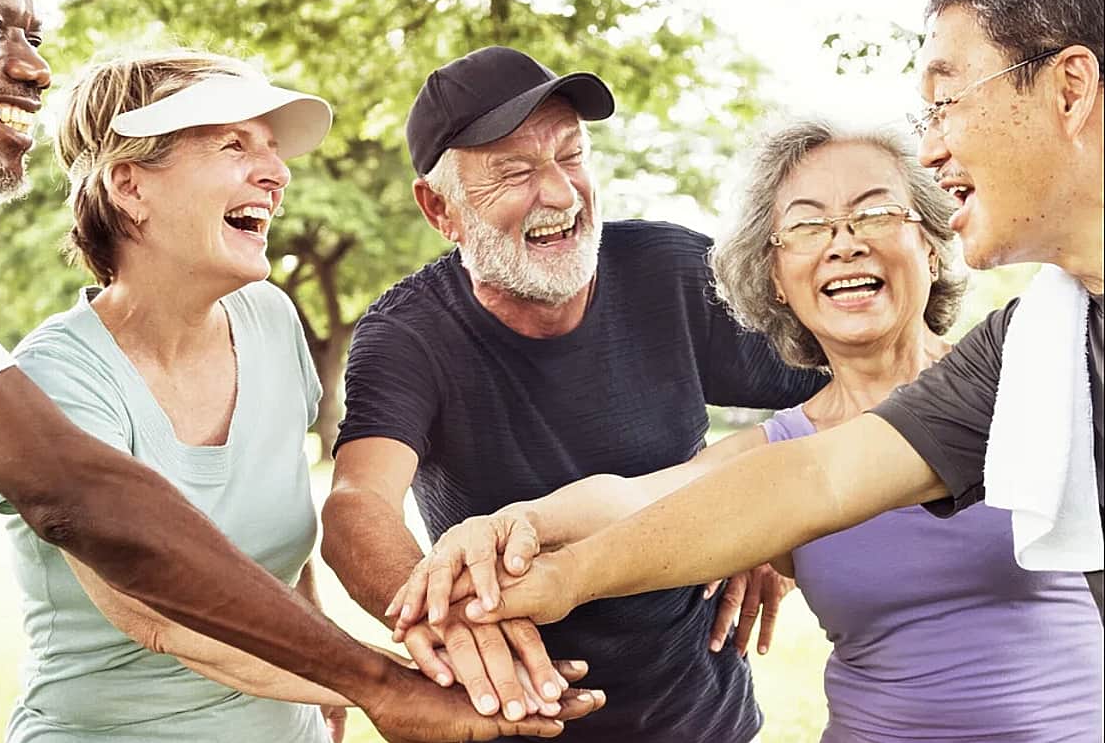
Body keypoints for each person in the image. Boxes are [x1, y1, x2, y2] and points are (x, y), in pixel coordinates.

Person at [0, 0, 597, 739]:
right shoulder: (56, 377)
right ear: (129, 186)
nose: (277, 172)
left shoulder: (271, 323)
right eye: (235, 145)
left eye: (271, 148)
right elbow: (162, 618)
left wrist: (326, 701)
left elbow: (281, 553)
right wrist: (389, 682)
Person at [396, 0, 1105, 635]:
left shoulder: (1031, 364)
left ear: (1070, 89)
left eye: (947, 101)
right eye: (807, 226)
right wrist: (555, 563)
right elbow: (809, 480)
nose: (931, 148)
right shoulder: (1031, 351)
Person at [390, 119, 1103, 740]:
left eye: (875, 212)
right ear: (776, 274)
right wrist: (511, 523)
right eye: (806, 226)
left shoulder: (1032, 374)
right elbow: (643, 498)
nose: (844, 243)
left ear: (931, 239)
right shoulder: (782, 452)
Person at [322, 45, 826, 743]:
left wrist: (773, 518)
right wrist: (447, 620)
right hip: (521, 721)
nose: (559, 193)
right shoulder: (409, 334)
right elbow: (357, 504)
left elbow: (866, 378)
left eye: (570, 155)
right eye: (515, 171)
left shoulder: (674, 272)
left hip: (703, 721)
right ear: (440, 208)